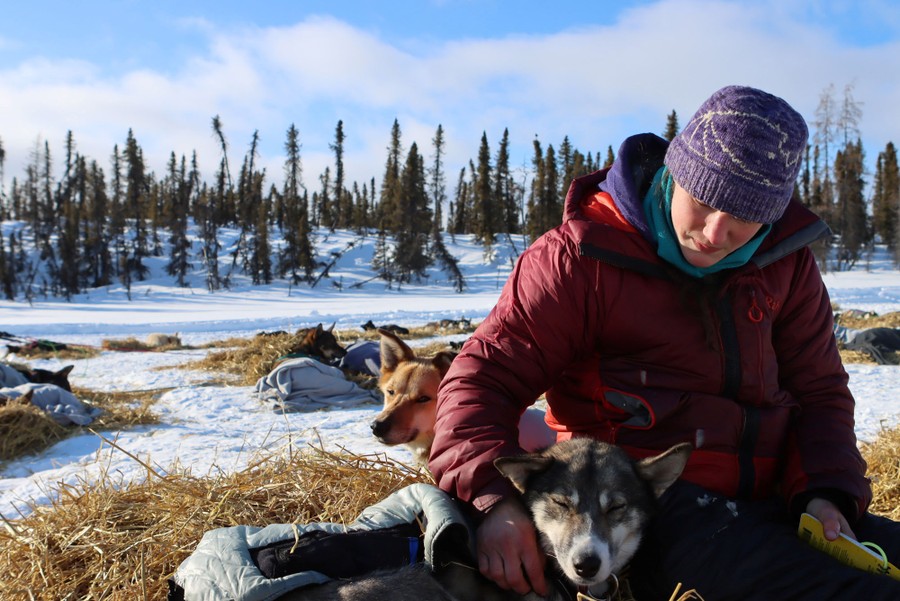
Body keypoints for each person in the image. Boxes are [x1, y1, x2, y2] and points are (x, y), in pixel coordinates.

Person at [428, 85, 900, 599]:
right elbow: (480, 381)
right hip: (643, 512)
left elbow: (820, 393)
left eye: (744, 217)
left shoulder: (786, 267)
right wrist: (494, 501)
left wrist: (825, 492)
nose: (716, 234)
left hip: (781, 504)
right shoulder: (581, 259)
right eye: (703, 202)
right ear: (674, 175)